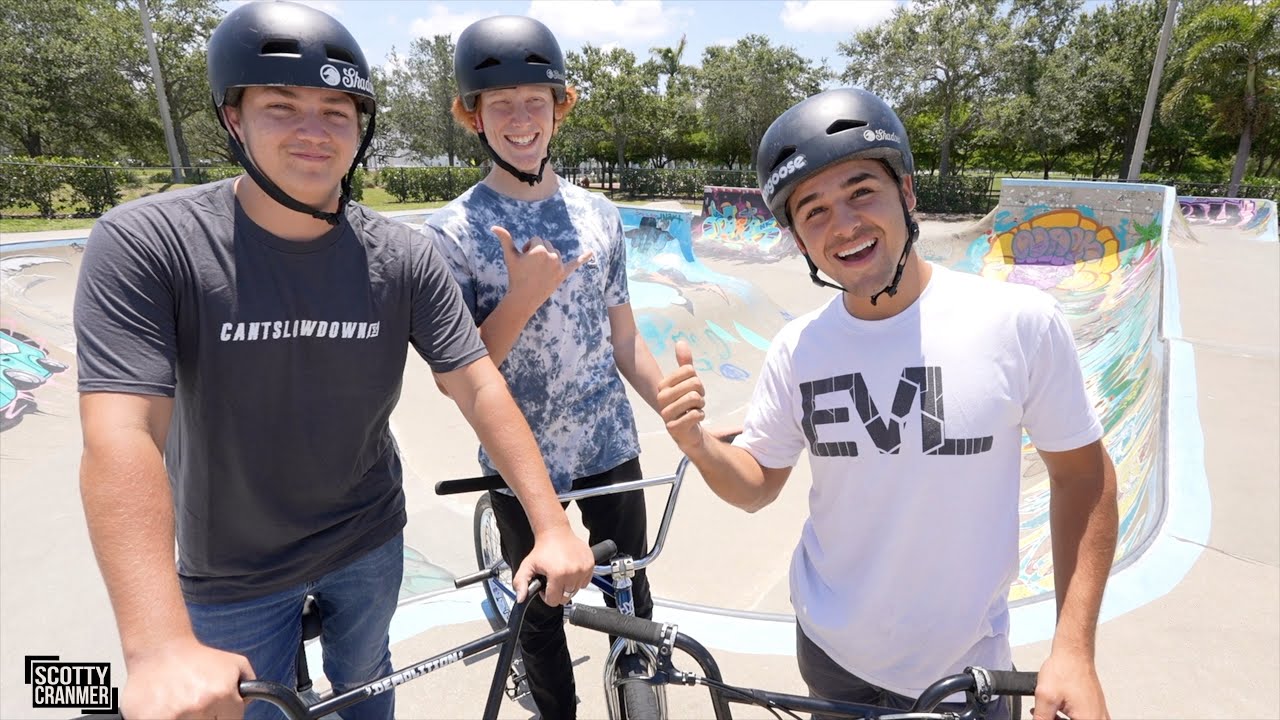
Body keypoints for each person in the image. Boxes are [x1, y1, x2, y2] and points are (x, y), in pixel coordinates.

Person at [73, 4, 594, 719]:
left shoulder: (402, 255)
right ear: (234, 119)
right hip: (230, 566)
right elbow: (120, 433)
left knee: (365, 681)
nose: (314, 132)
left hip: (367, 536)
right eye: (282, 107)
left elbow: (475, 382)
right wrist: (157, 644)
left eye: (336, 110)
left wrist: (551, 524)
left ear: (362, 126)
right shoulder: (149, 243)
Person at [656, 87, 1118, 720]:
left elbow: (1084, 477)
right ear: (796, 239)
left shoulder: (1017, 323)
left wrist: (1074, 649)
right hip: (828, 652)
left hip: (962, 673)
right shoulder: (800, 347)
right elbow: (758, 484)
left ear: (907, 192)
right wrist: (698, 444)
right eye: (813, 210)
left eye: (860, 192)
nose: (843, 225)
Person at [424, 15, 666, 719]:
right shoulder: (452, 231)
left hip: (608, 445)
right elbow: (455, 377)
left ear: (561, 107)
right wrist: (524, 296)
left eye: (536, 100)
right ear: (472, 115)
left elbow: (626, 342)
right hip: (517, 456)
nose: (520, 119)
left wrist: (680, 419)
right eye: (500, 104)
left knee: (632, 590)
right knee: (540, 607)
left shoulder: (599, 215)